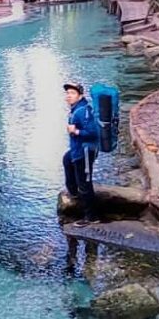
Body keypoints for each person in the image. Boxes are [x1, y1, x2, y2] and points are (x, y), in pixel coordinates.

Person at [62, 82, 99, 226]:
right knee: (67, 159)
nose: (68, 96)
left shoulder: (83, 111)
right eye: (67, 93)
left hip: (85, 151)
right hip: (77, 149)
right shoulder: (76, 109)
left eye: (72, 93)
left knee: (85, 183)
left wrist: (75, 131)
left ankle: (91, 217)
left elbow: (93, 133)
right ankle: (74, 194)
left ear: (80, 96)